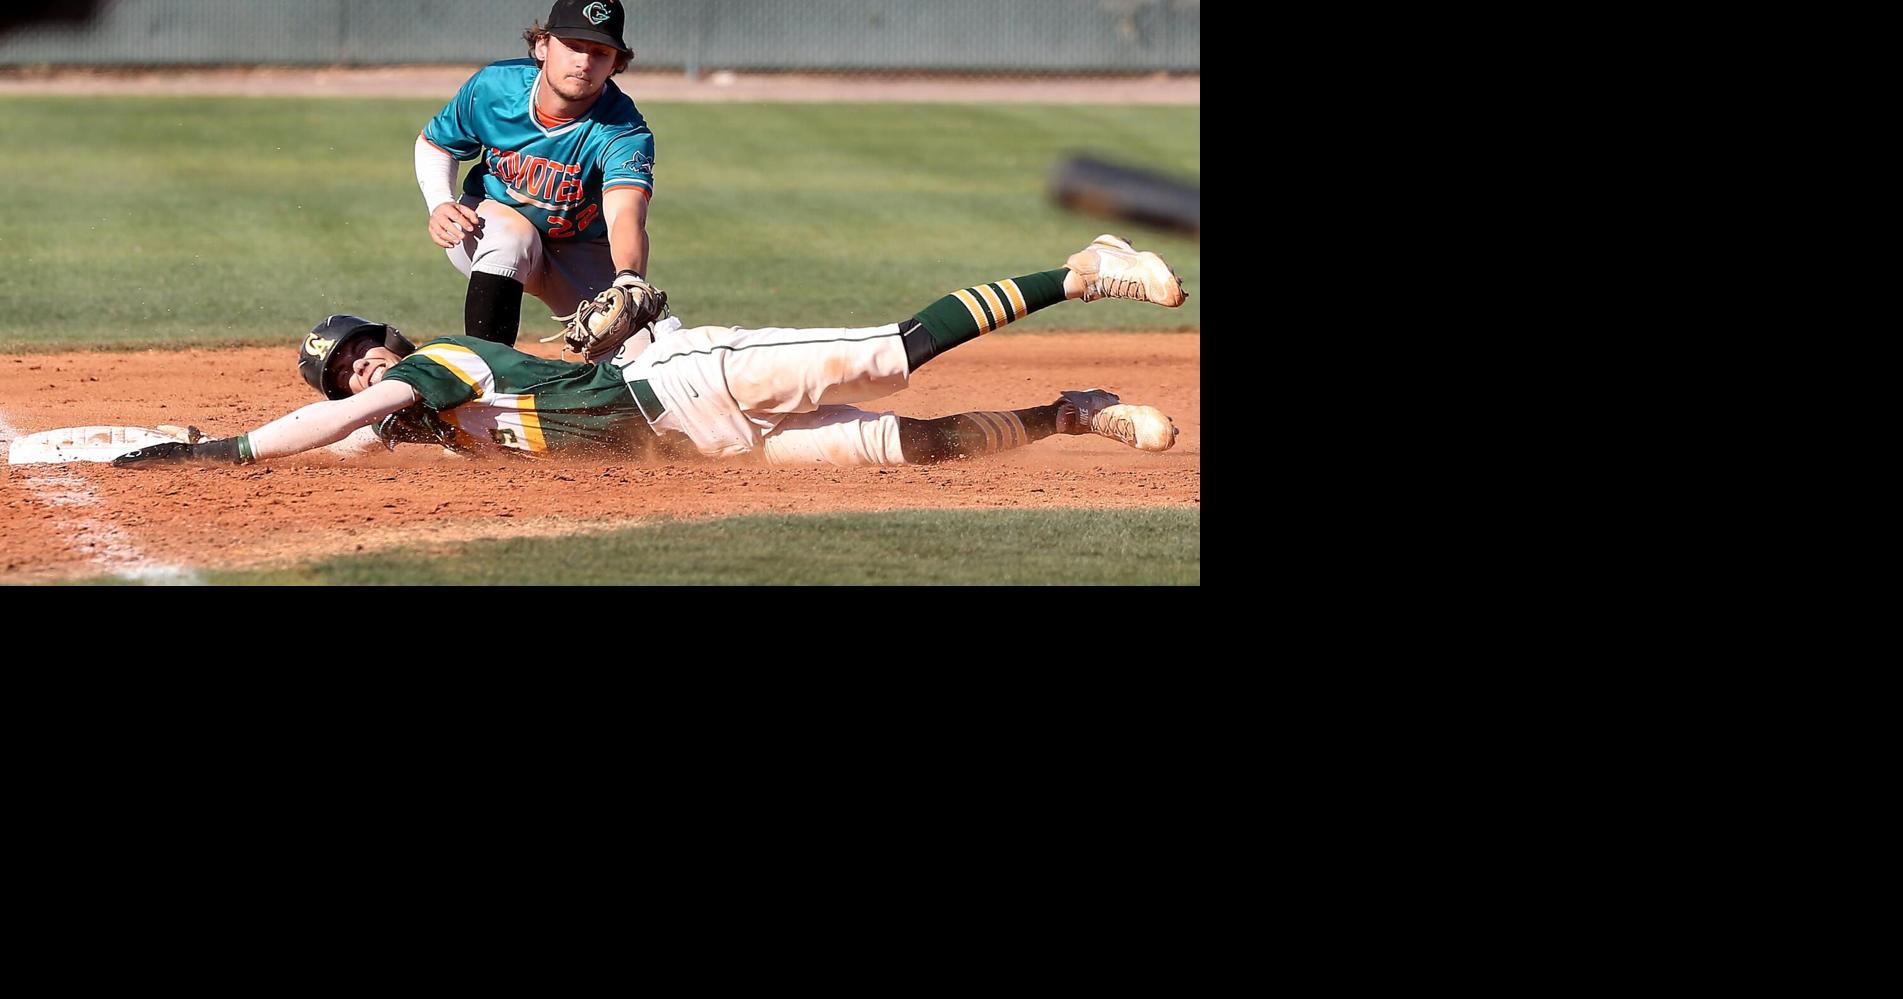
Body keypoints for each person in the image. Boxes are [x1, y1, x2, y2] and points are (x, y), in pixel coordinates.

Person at [113, 235, 1188, 470]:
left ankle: (1081, 270)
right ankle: (1072, 412)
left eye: (359, 355)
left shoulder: (434, 365)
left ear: (389, 346)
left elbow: (337, 425)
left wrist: (231, 453)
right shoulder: (432, 425)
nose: (358, 374)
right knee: (907, 448)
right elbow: (348, 441)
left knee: (890, 352)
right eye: (340, 368)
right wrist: (193, 440)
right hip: (706, 451)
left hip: (690, 377)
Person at [417, 0, 655, 347]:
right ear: (542, 45)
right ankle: (487, 372)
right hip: (490, 230)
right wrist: (440, 202)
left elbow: (626, 213)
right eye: (573, 46)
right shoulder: (494, 88)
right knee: (512, 239)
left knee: (642, 354)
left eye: (599, 53)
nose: (583, 61)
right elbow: (436, 143)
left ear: (616, 63)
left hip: (580, 248)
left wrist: (629, 278)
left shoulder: (623, 129)